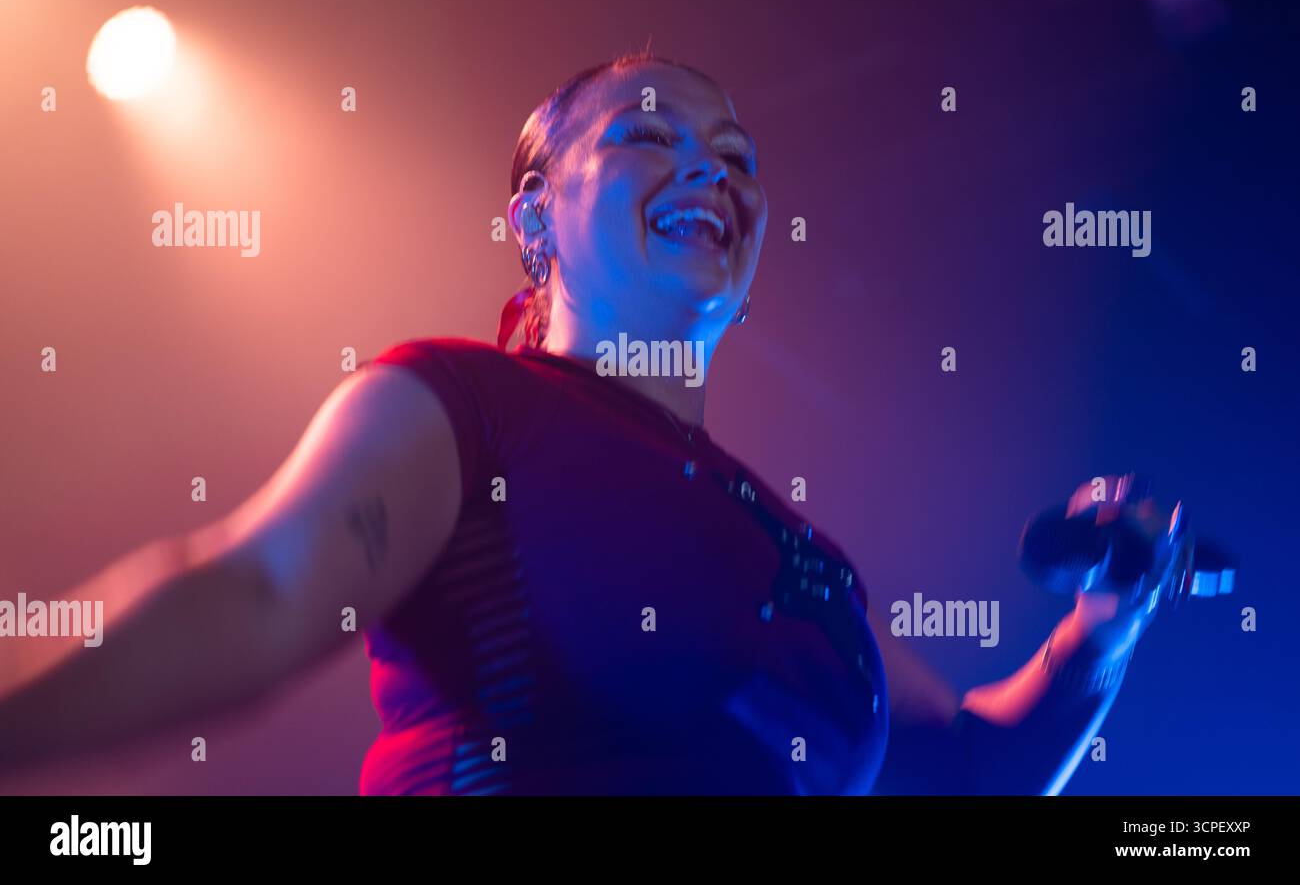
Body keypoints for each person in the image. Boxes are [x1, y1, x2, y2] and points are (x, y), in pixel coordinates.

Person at [0, 51, 1158, 794]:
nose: (712, 173)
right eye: (653, 138)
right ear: (535, 219)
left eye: (736, 159)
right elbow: (249, 596)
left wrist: (1101, 626)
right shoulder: (463, 404)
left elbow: (969, 770)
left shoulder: (802, 556)